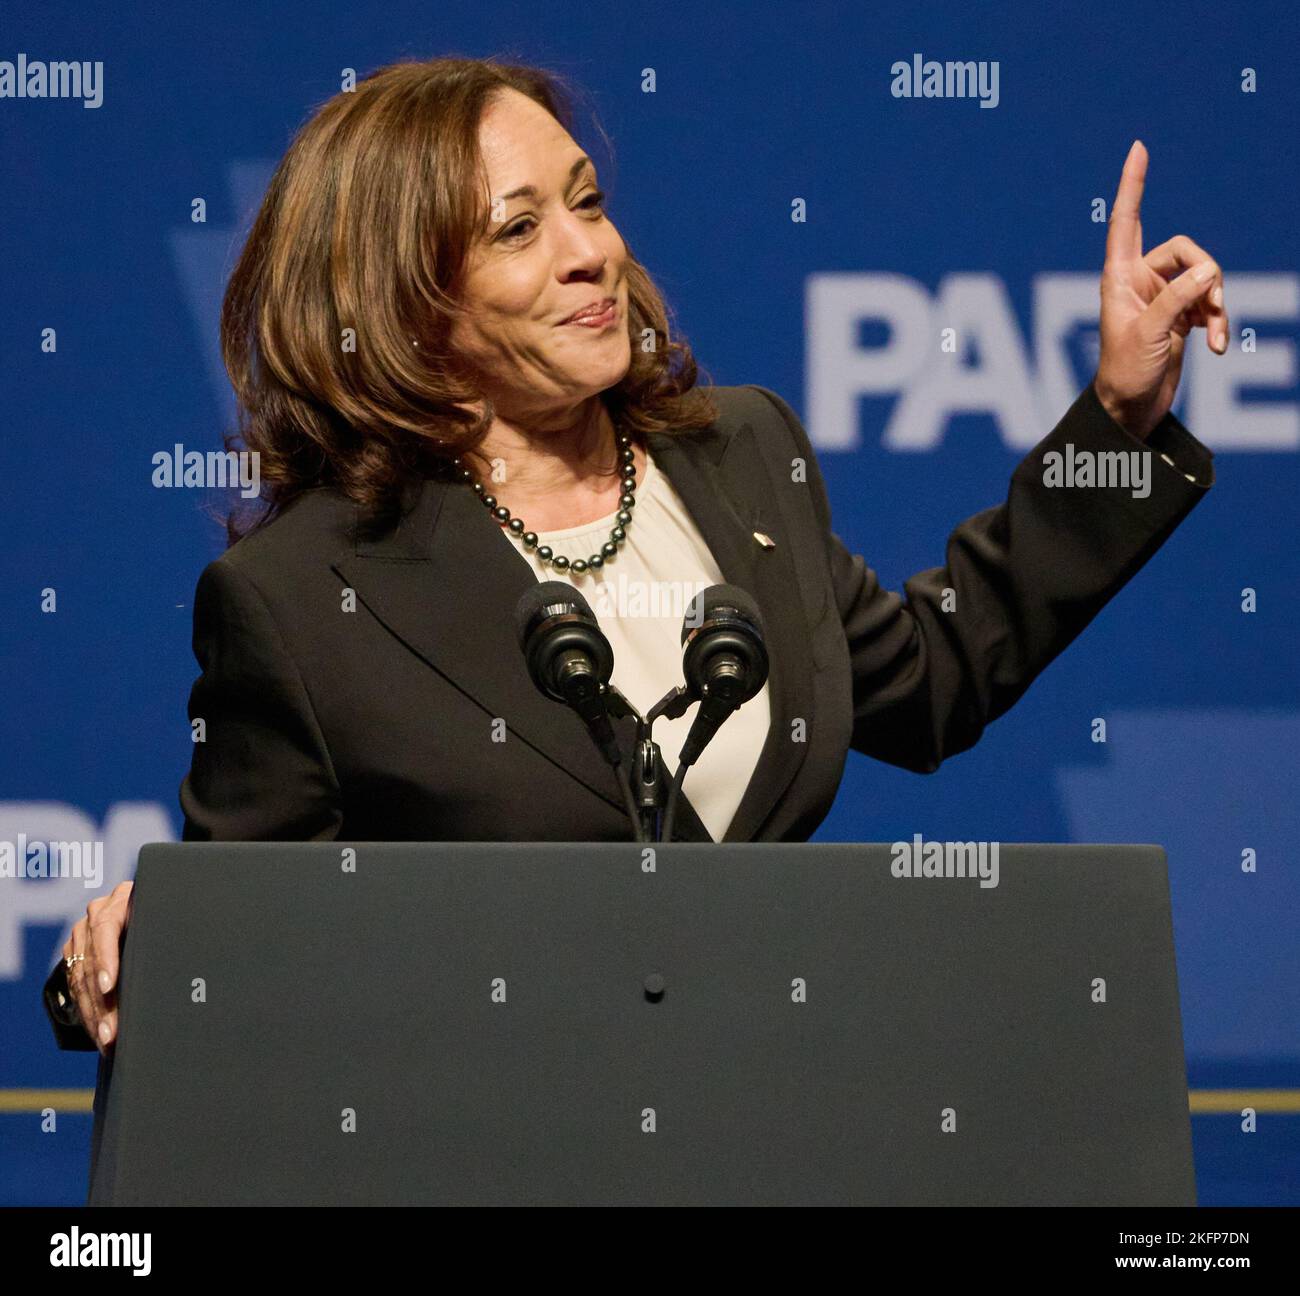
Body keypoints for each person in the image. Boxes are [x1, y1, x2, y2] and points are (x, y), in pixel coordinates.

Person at [46, 56, 1222, 1053]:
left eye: (587, 201)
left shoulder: (743, 455)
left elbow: (929, 677)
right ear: (405, 309)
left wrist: (1113, 429)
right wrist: (142, 943)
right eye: (518, 229)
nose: (589, 253)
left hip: (773, 1126)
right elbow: (241, 952)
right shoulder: (300, 600)